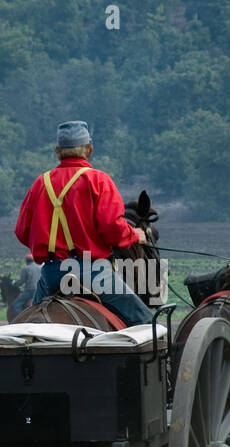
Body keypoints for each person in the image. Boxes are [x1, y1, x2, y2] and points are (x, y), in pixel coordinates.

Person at [14, 120, 152, 326]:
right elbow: (112, 228)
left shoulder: (40, 183)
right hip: (93, 273)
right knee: (146, 322)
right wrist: (135, 235)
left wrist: (50, 245)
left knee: (25, 328)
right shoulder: (98, 180)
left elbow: (22, 232)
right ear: (89, 149)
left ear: (57, 151)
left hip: (51, 274)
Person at [12, 254, 41, 318]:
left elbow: (22, 281)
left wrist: (14, 282)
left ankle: (20, 319)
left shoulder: (25, 269)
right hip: (40, 290)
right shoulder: (40, 267)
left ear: (26, 261)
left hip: (30, 291)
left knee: (16, 304)